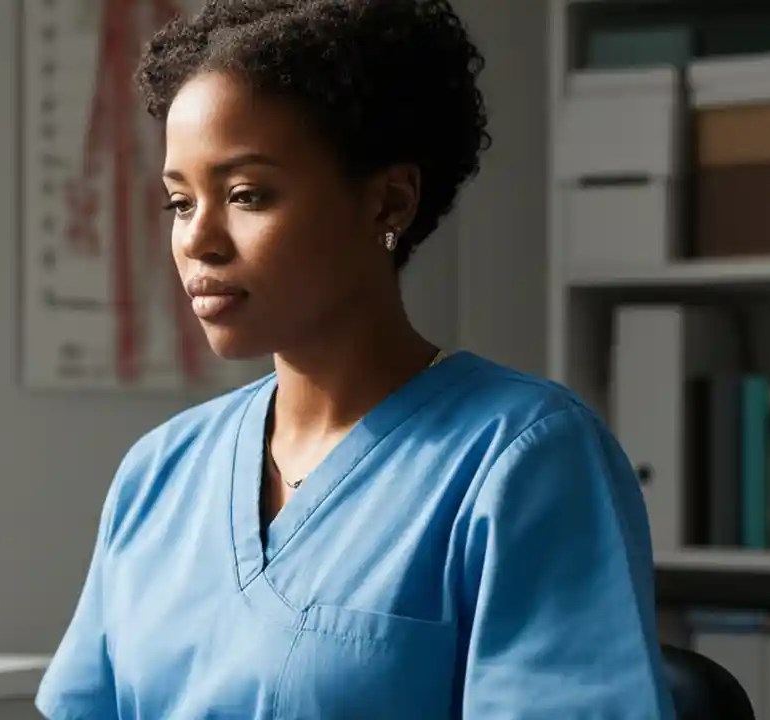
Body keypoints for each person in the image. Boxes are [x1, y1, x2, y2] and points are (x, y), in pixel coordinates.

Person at [36, 1, 675, 717]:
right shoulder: (158, 473)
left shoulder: (522, 459)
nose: (199, 241)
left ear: (387, 204)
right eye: (179, 203)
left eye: (246, 195)